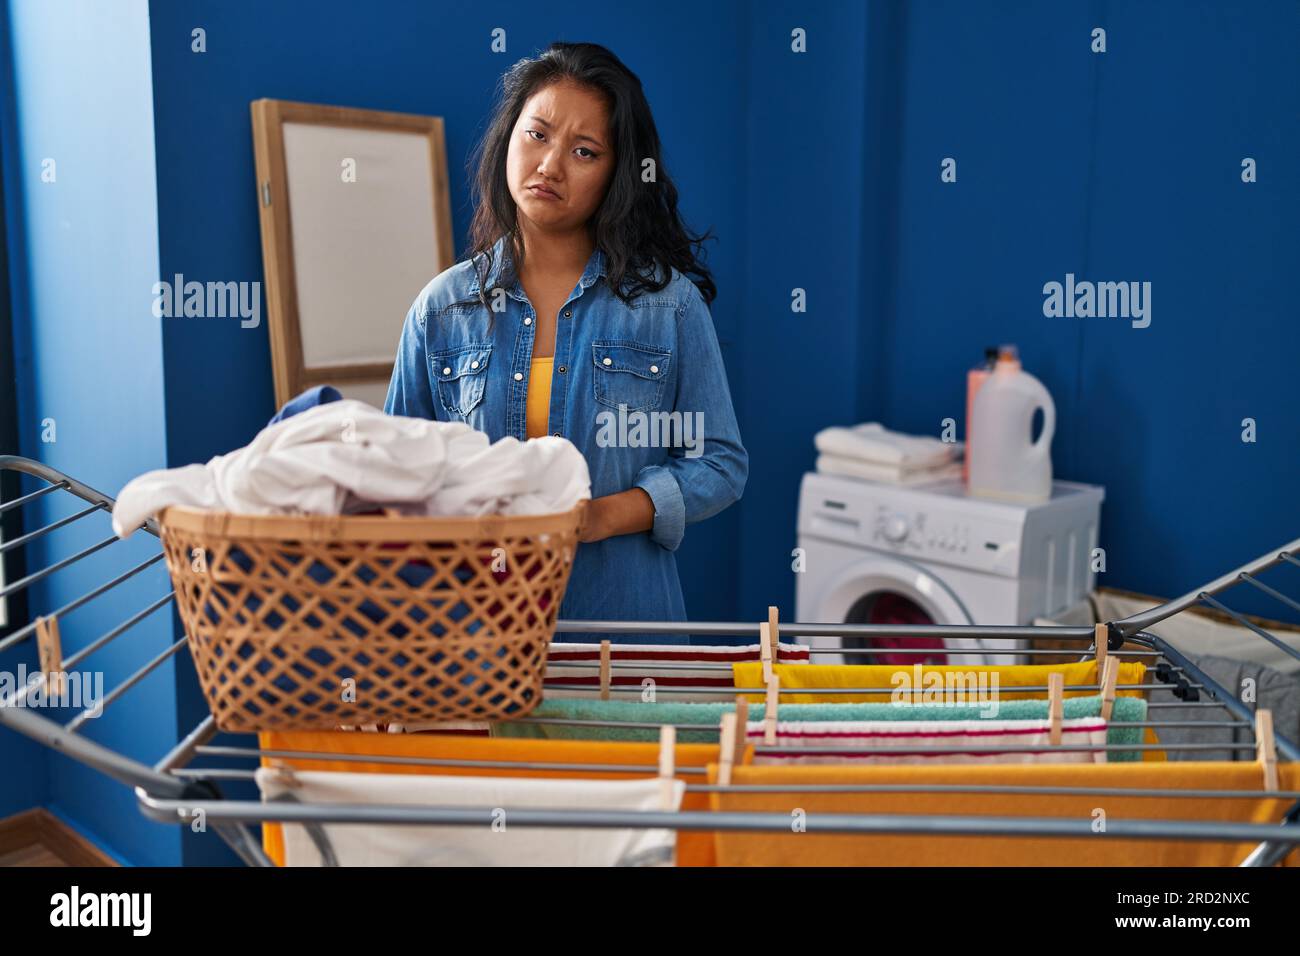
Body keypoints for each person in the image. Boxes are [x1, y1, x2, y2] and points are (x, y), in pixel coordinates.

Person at [385, 41, 747, 644]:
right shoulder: (441, 310)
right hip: (475, 647)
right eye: (538, 135)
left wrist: (602, 516)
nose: (550, 165)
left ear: (616, 175)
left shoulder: (667, 306)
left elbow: (721, 464)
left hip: (627, 642)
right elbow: (396, 479)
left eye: (584, 152)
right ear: (508, 140)